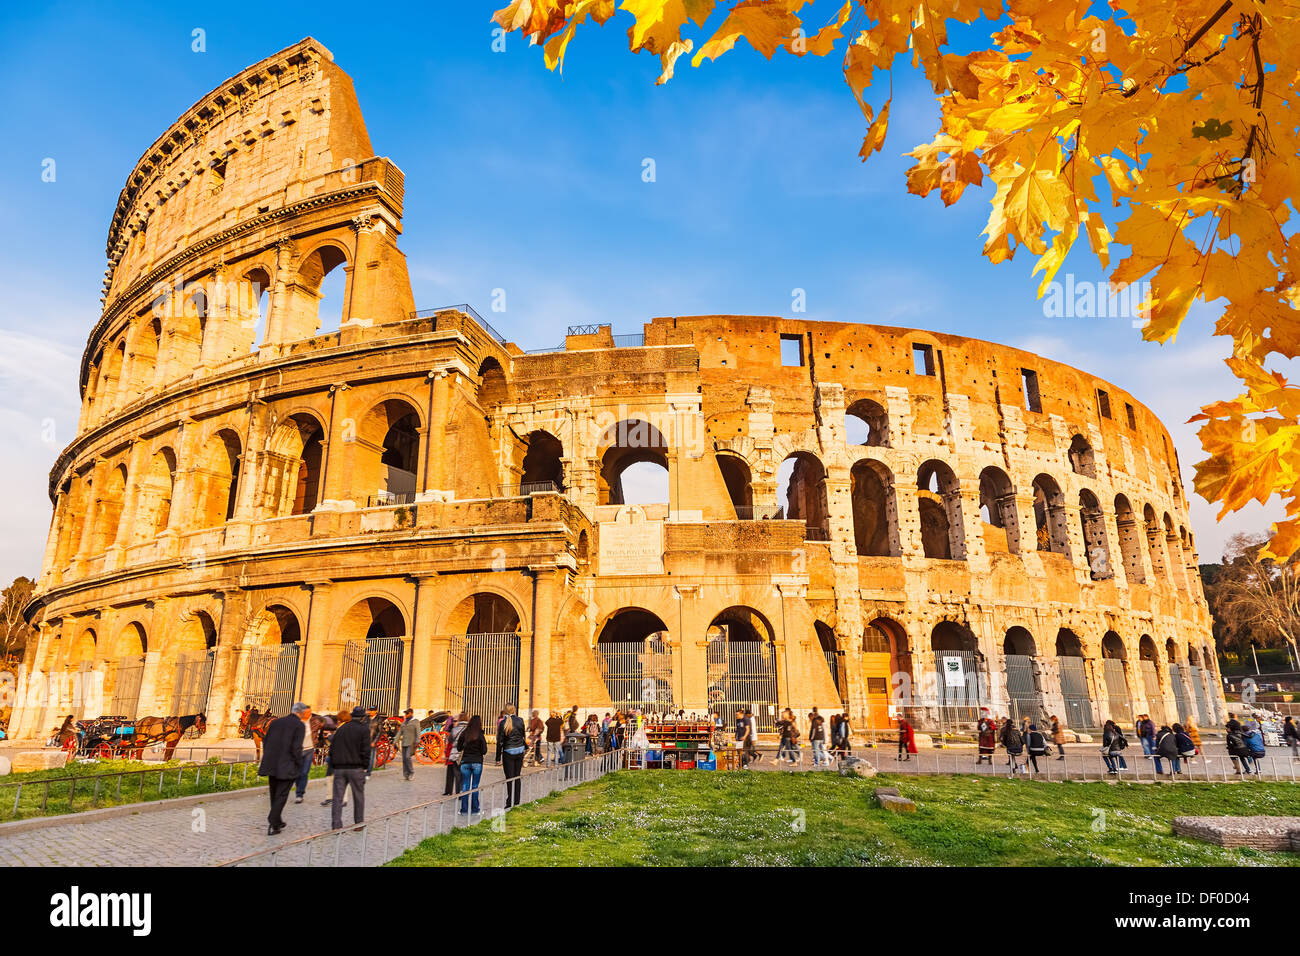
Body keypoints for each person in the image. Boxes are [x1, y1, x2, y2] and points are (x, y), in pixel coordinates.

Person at [259, 703, 308, 835]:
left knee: (274, 793)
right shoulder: (299, 725)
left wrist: (268, 757)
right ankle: (273, 819)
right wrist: (299, 763)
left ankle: (277, 821)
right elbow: (296, 747)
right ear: (301, 713)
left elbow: (265, 740)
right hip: (287, 765)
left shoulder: (276, 722)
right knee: (281, 795)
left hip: (271, 763)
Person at [329, 706, 371, 830]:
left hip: (340, 768)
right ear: (363, 717)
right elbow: (366, 750)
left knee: (337, 797)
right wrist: (365, 766)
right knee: (358, 796)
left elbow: (333, 749)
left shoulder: (342, 729)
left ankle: (336, 825)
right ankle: (358, 824)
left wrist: (335, 765)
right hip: (356, 768)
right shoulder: (364, 729)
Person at [496, 703, 527, 809]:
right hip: (519, 750)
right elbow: (523, 735)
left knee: (509, 777)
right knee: (517, 775)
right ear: (514, 710)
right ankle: (517, 800)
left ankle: (510, 801)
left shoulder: (502, 722)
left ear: (504, 710)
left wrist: (497, 758)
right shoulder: (520, 720)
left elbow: (500, 741)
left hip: (508, 751)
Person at [457, 715, 488, 814]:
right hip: (477, 762)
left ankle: (464, 810)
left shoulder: (465, 733)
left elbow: (459, 748)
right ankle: (475, 809)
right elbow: (484, 750)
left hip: (465, 762)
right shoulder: (480, 735)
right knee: (475, 786)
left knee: (465, 786)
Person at [294, 705, 316, 804]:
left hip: (309, 750)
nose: (309, 714)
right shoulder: (297, 722)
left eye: (310, 712)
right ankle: (299, 788)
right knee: (297, 772)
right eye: (307, 712)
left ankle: (299, 794)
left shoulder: (314, 721)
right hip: (298, 750)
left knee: (304, 772)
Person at [443, 712, 465, 796]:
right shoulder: (452, 729)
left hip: (458, 754)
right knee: (449, 773)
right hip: (451, 753)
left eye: (455, 721)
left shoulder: (459, 730)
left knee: (458, 774)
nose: (453, 722)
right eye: (453, 721)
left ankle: (458, 792)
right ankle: (448, 790)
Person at [399, 708, 420, 781]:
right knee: (404, 759)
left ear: (411, 713)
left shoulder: (415, 721)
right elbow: (400, 732)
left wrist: (417, 741)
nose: (406, 715)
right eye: (405, 714)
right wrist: (394, 741)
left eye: (407, 713)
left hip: (411, 743)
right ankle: (406, 774)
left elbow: (418, 732)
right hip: (404, 742)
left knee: (408, 757)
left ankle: (411, 772)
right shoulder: (404, 722)